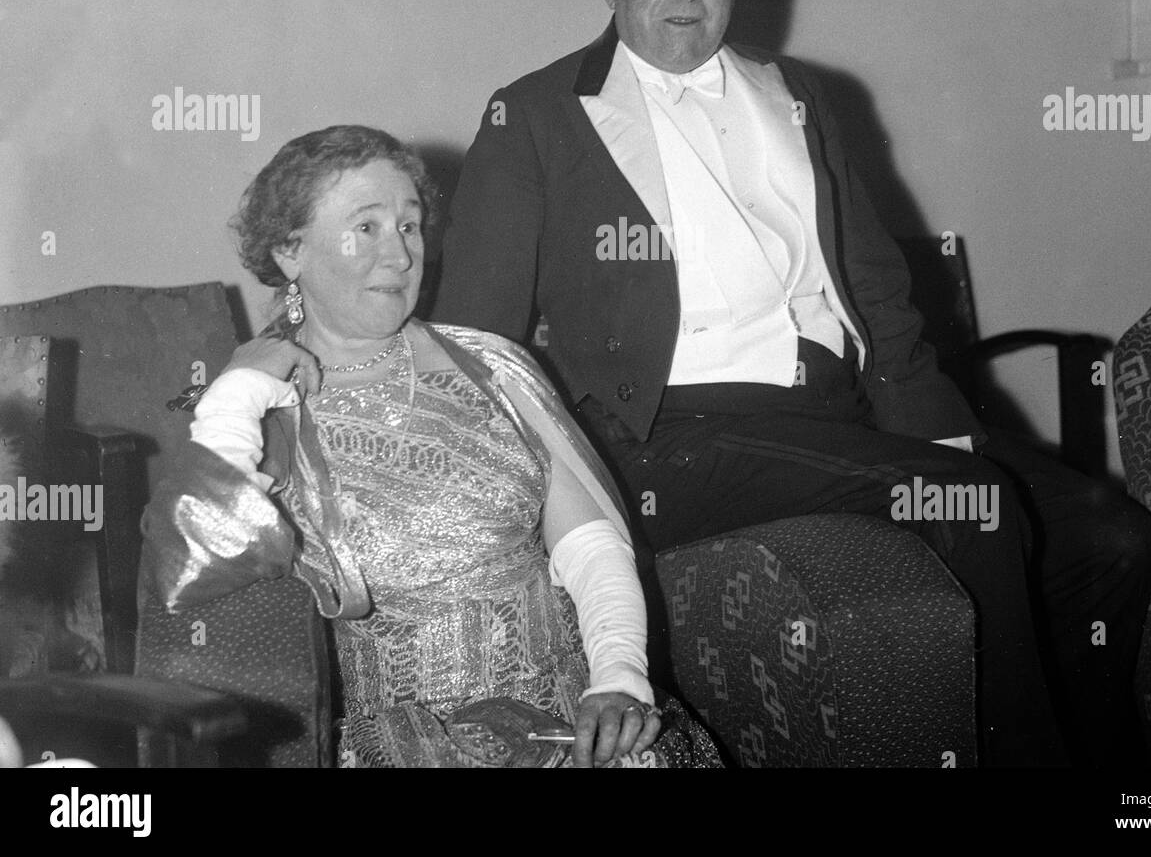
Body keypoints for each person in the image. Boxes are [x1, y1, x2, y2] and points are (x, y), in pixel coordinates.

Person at [434, 0, 1151, 767]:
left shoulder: (800, 94)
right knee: (974, 511)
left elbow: (877, 292)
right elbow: (478, 344)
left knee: (1114, 537)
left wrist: (944, 437)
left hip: (836, 414)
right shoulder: (538, 115)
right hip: (671, 437)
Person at [142, 125, 720, 769]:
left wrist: (617, 676)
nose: (400, 256)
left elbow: (588, 543)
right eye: (366, 228)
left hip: (571, 713)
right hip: (402, 742)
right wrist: (237, 393)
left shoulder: (493, 366)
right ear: (288, 250)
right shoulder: (264, 407)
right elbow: (189, 568)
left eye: (409, 227)